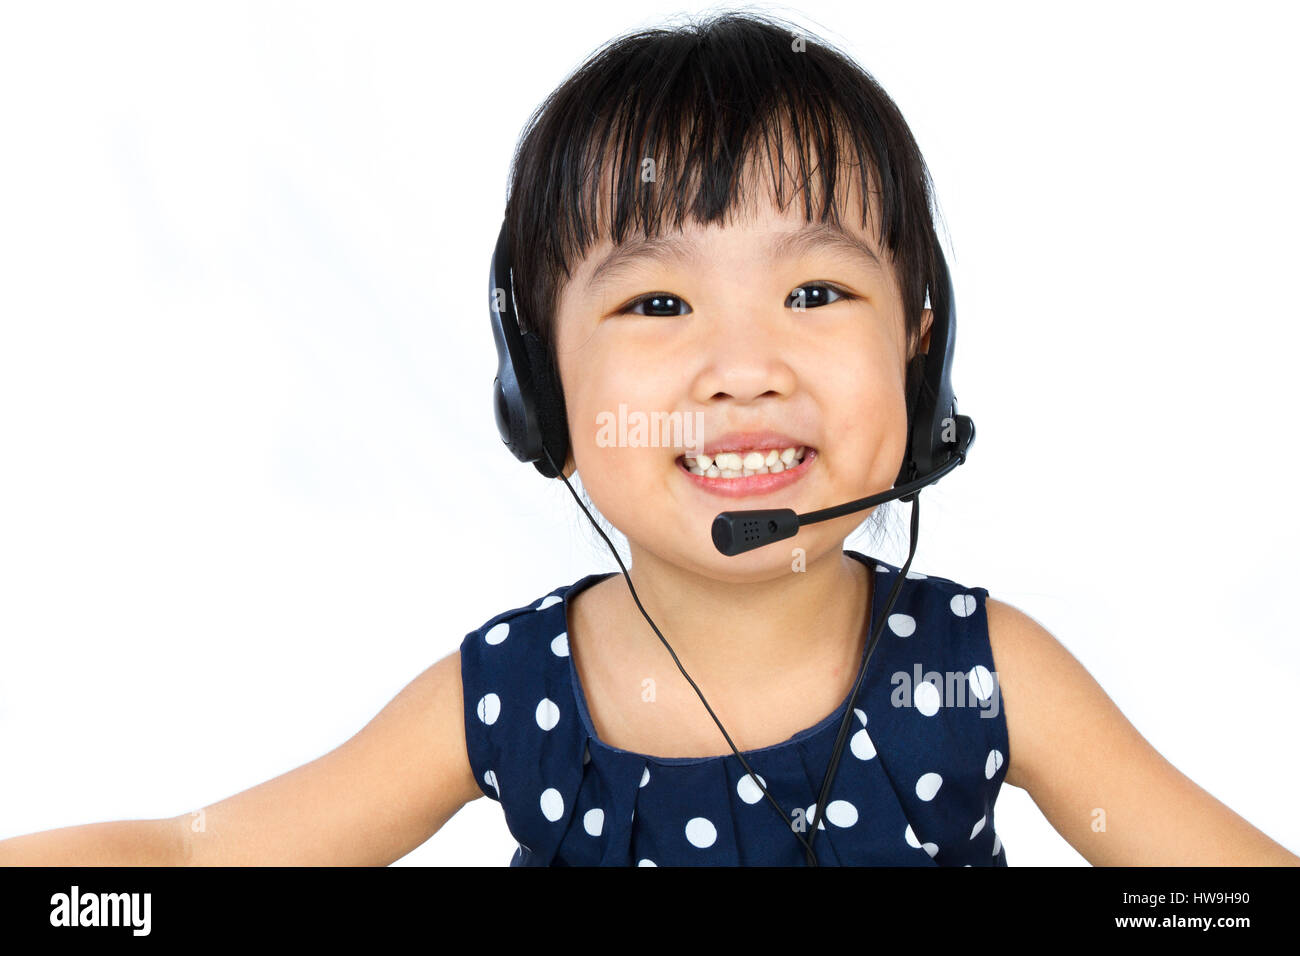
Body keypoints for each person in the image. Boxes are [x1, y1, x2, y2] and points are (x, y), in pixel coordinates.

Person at [2, 10, 1296, 867]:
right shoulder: (513, 691)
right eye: (658, 303)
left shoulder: (975, 672)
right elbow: (191, 861)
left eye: (816, 293)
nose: (745, 369)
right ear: (543, 395)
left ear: (919, 346)